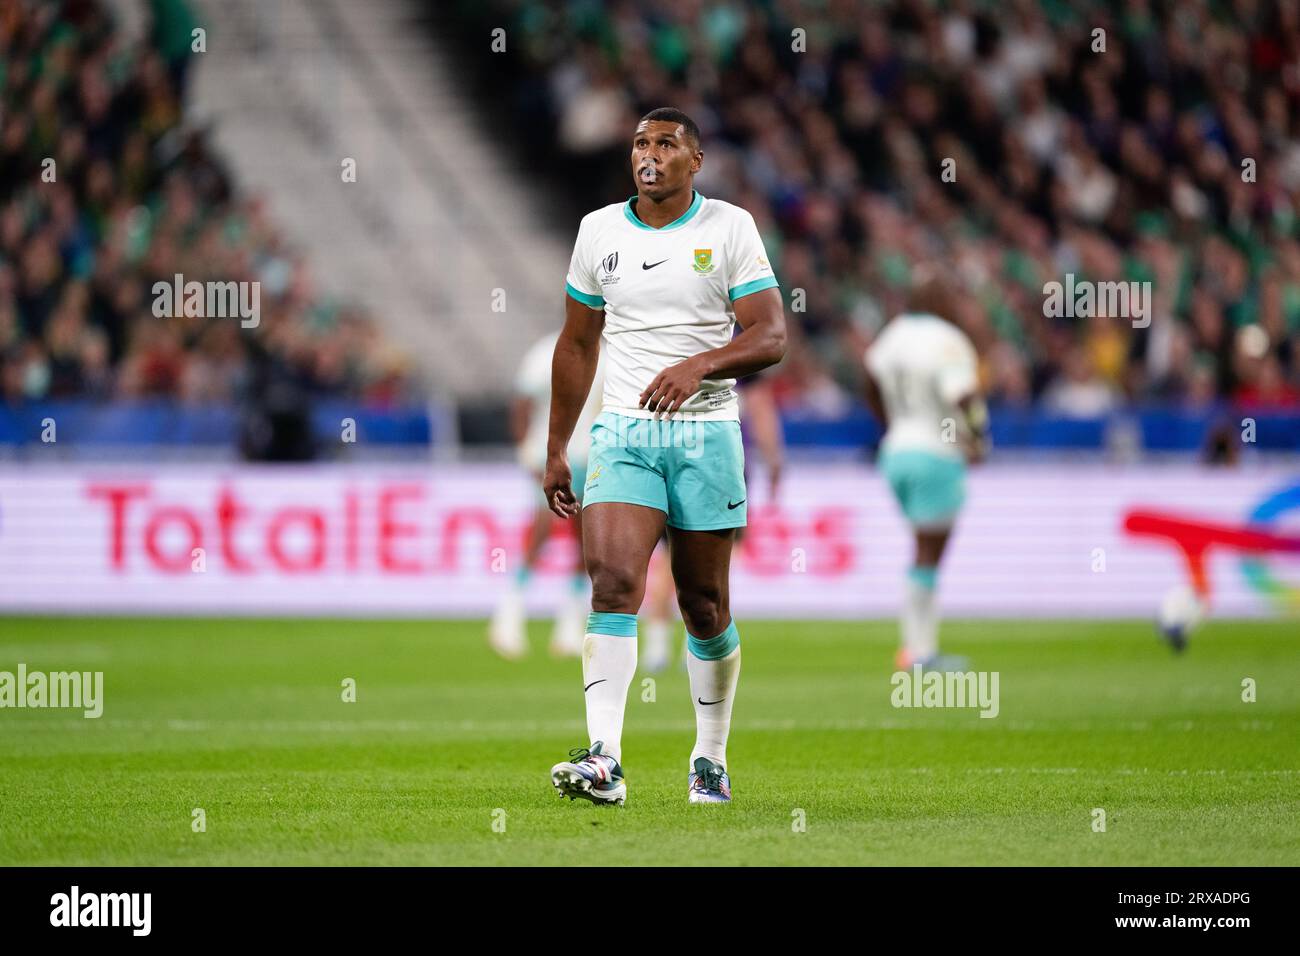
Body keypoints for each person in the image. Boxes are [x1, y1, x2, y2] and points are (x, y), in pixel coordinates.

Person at [543, 108, 786, 805]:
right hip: (623, 432)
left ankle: (710, 755)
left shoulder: (729, 228)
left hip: (705, 436)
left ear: (695, 161)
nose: (649, 155)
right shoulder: (598, 232)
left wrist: (701, 366)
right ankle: (604, 759)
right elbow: (578, 344)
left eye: (666, 144)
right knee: (614, 583)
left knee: (702, 605)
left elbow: (770, 335)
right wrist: (558, 446)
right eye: (640, 144)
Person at [863, 273, 989, 672]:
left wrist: (889, 422)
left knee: (923, 552)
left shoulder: (893, 334)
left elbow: (867, 377)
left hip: (896, 452)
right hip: (936, 452)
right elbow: (964, 395)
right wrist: (979, 437)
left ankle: (918, 649)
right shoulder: (948, 340)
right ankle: (919, 652)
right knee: (928, 555)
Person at [488, 331, 603, 659]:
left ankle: (569, 622)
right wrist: (525, 449)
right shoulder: (551, 350)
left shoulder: (612, 353)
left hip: (593, 457)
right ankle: (510, 611)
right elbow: (523, 402)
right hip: (552, 456)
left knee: (585, 542)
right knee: (542, 532)